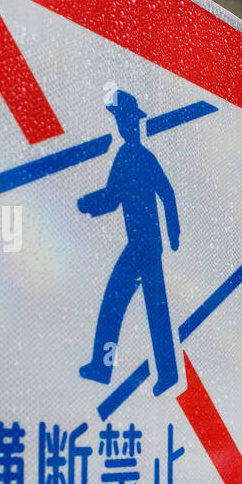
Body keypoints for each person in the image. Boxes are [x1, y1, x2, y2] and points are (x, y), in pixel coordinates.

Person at [78, 90, 182, 396]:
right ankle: (166, 373)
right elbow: (117, 198)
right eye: (121, 120)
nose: (124, 125)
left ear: (131, 122)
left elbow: (164, 193)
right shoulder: (137, 156)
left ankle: (103, 367)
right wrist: (171, 236)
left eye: (125, 120)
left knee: (117, 303)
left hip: (142, 247)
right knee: (153, 309)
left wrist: (86, 204)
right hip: (146, 245)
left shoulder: (132, 156)